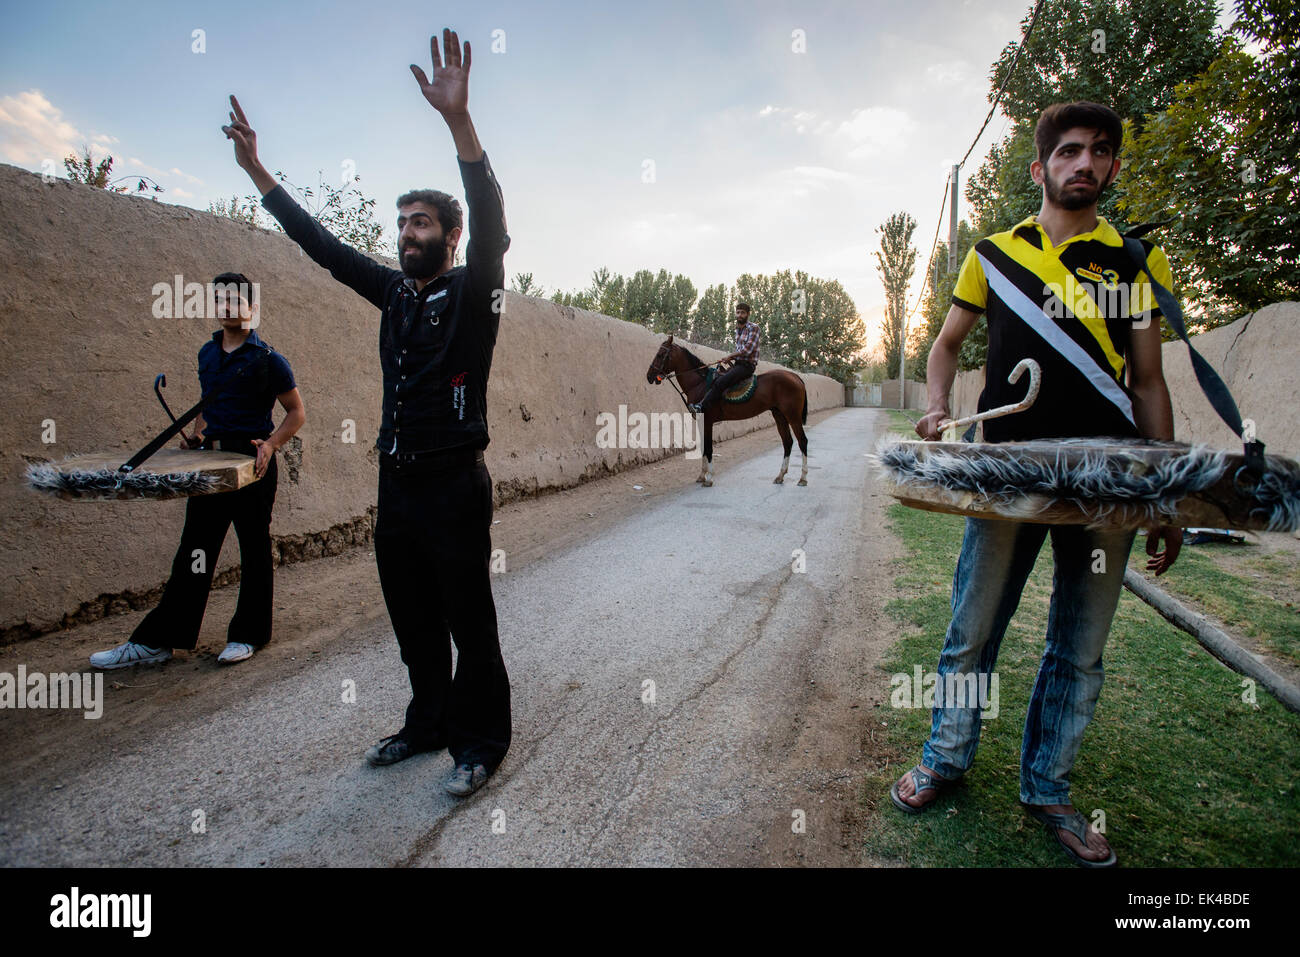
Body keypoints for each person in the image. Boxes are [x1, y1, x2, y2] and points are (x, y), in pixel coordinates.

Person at [889, 102, 1183, 868]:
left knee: (1079, 649)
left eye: (1101, 153)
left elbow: (1148, 382)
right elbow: (945, 345)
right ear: (1041, 167)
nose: (1085, 164)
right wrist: (934, 406)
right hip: (1005, 479)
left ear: (1113, 167)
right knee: (971, 631)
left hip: (1104, 485)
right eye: (1071, 151)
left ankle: (1048, 785)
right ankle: (946, 758)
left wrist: (1164, 489)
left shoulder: (1134, 263)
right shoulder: (992, 253)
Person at [222, 28, 511, 797]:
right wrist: (257, 171)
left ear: (450, 237)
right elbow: (320, 245)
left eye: (422, 222)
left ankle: (480, 742)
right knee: (413, 618)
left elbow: (493, 217)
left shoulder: (476, 292)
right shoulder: (392, 293)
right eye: (403, 221)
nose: (407, 231)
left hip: (455, 484)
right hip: (398, 483)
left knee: (467, 622)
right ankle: (429, 722)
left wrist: (459, 123)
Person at [91, 274, 305, 669]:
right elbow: (208, 404)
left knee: (253, 549)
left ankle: (248, 635)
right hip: (210, 463)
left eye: (234, 299)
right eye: (219, 298)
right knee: (196, 549)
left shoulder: (269, 359)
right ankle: (158, 641)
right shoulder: (208, 353)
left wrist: (272, 445)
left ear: (251, 308)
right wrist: (197, 434)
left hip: (250, 464)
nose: (226, 305)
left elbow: (297, 412)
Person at [689, 303, 759, 412]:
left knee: (721, 382)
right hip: (738, 364)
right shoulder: (737, 330)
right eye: (738, 312)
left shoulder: (754, 328)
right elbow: (739, 351)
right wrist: (729, 359)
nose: (740, 315)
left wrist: (730, 356)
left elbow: (747, 350)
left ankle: (701, 407)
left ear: (748, 314)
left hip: (747, 366)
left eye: (743, 313)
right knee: (715, 377)